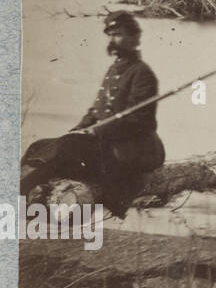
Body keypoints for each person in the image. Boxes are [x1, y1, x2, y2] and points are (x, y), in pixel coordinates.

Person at [21, 11, 167, 217]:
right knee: (40, 146)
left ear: (135, 38)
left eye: (118, 34)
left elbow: (139, 122)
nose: (112, 40)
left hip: (127, 148)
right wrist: (78, 130)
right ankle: (35, 196)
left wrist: (95, 132)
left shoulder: (142, 73)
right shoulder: (114, 70)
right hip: (104, 142)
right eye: (109, 35)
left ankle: (19, 194)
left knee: (66, 147)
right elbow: (95, 111)